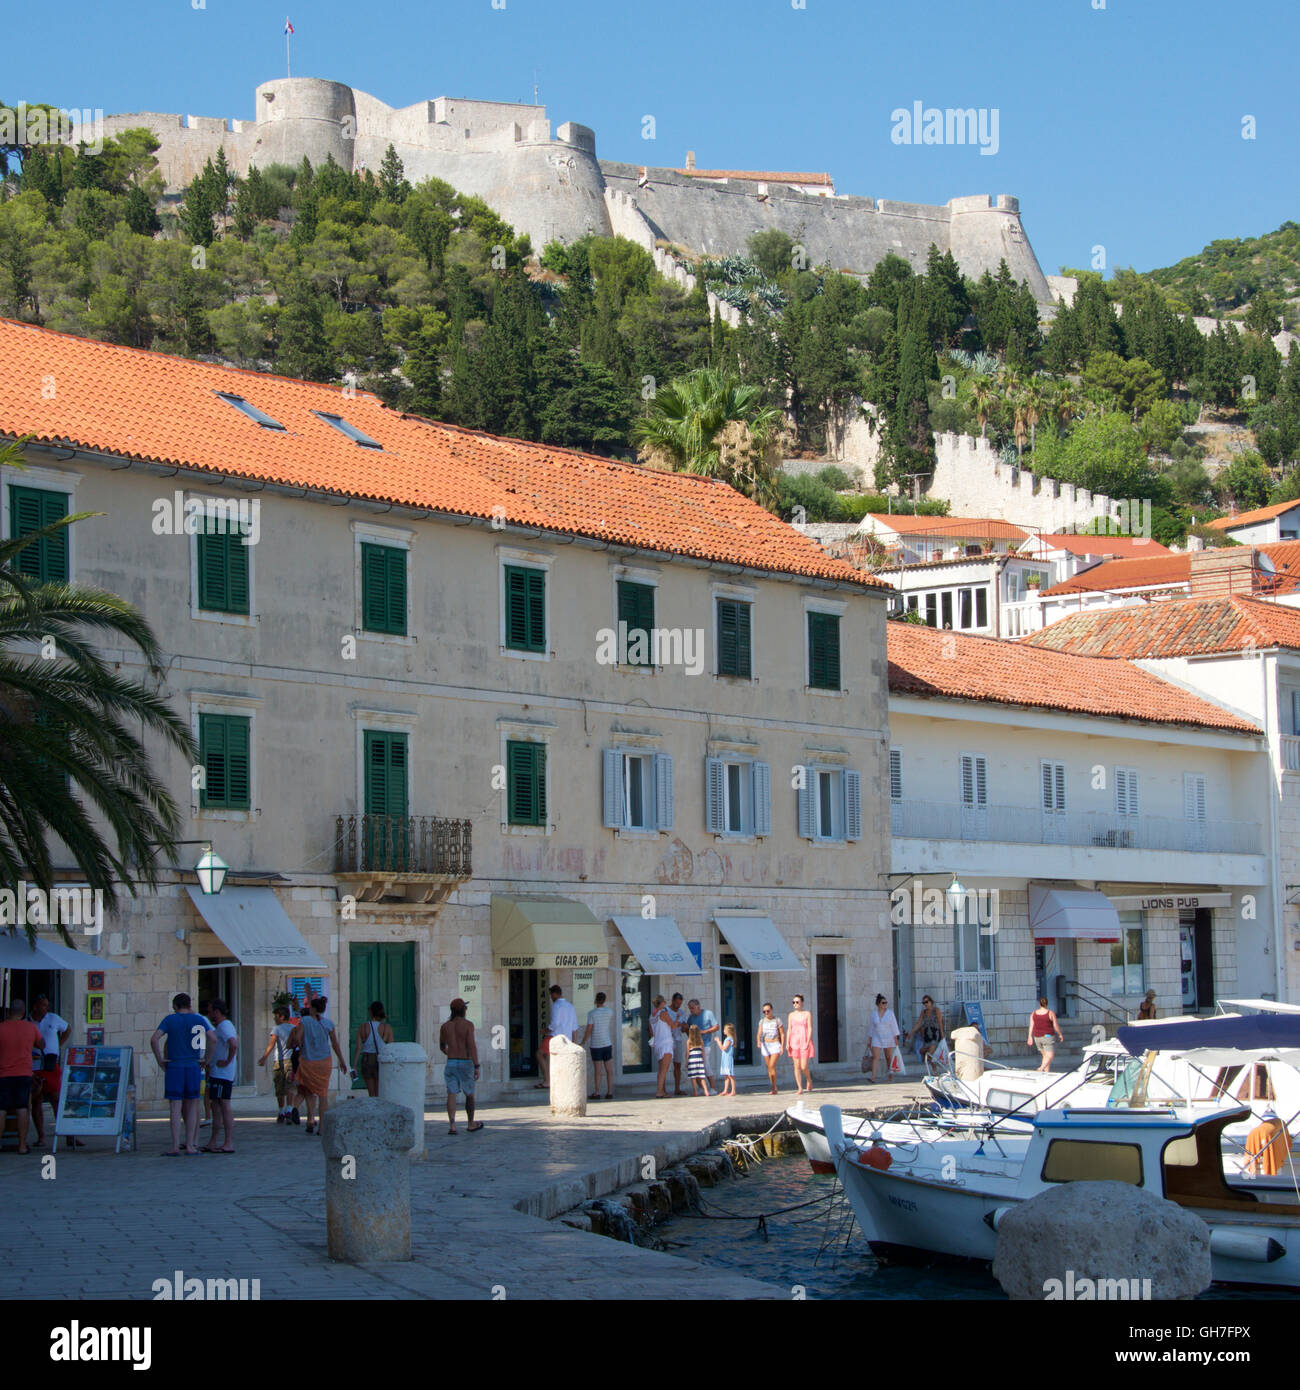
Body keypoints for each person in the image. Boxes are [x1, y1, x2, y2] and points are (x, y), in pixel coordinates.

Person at [150, 993, 215, 1156]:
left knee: (175, 1107)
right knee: (193, 1105)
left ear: (175, 1006)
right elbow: (213, 1039)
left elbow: (154, 1039)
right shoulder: (199, 1020)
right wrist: (206, 1060)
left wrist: (160, 1060)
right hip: (193, 1065)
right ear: (189, 1004)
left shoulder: (170, 1020)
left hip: (175, 1065)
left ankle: (174, 1145)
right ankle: (191, 1145)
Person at [290, 997, 347, 1134]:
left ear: (313, 1009)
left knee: (305, 1089)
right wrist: (342, 1061)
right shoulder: (329, 1024)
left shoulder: (305, 1021)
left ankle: (296, 1107)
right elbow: (335, 1044)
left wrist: (300, 1044)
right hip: (324, 1062)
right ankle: (321, 1128)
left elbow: (297, 1038)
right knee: (323, 1095)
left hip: (307, 1061)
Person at [30, 995, 77, 1149]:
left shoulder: (53, 1018)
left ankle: (68, 1135)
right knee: (36, 1100)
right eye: (43, 1005)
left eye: (47, 1005)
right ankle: (41, 1136)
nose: (46, 1008)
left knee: (57, 1098)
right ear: (35, 1006)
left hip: (51, 1065)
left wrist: (59, 1045)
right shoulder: (27, 1023)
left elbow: (68, 1028)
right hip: (35, 1065)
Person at [0, 1000, 44, 1155]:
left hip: (3, 1074)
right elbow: (42, 1044)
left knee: (2, 1109)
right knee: (22, 1108)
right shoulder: (30, 1027)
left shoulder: (1, 1027)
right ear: (24, 1012)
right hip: (24, 1073)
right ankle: (22, 1145)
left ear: (8, 1012)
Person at [439, 998, 482, 1134]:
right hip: (465, 1062)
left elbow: (442, 1046)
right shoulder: (468, 1025)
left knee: (451, 1093)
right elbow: (471, 1045)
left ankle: (452, 1125)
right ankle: (470, 1123)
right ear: (463, 1010)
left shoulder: (445, 1026)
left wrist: (450, 1053)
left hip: (451, 1062)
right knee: (469, 1094)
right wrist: (476, 1065)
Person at [203, 999, 238, 1153]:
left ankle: (228, 1142)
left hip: (223, 1075)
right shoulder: (223, 1026)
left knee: (224, 1106)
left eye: (210, 1011)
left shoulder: (224, 1026)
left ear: (217, 1012)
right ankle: (213, 1141)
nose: (209, 1014)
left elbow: (234, 1044)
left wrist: (228, 1061)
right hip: (218, 1074)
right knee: (215, 1106)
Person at [258, 1006, 297, 1123]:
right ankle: (289, 1108)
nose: (274, 1018)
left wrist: (264, 1057)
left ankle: (281, 1111)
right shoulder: (294, 1028)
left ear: (282, 1016)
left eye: (275, 1016)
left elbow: (271, 1044)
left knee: (279, 1087)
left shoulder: (276, 1029)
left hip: (280, 1061)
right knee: (290, 1086)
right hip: (291, 1060)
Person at [535, 985, 579, 1088]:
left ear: (554, 994)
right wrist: (574, 1044)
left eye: (551, 995)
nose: (551, 997)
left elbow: (555, 1024)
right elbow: (575, 1027)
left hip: (554, 1037)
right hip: (567, 1039)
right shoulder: (570, 1006)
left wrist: (545, 1030)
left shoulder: (556, 1005)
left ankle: (547, 1081)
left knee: (539, 1054)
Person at [352, 1001, 393, 1098]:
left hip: (367, 1059)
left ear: (370, 1012)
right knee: (380, 1092)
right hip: (381, 1059)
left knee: (371, 1093)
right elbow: (391, 1047)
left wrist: (354, 1066)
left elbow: (358, 1048)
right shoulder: (386, 1028)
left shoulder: (363, 1027)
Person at [581, 991, 615, 1100]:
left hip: (596, 1044)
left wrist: (583, 1041)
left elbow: (589, 1029)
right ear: (604, 1000)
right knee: (609, 1069)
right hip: (607, 1043)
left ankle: (597, 1092)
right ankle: (610, 1092)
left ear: (596, 1000)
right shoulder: (609, 1012)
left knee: (598, 1070)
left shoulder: (592, 1013)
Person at [684, 999, 719, 1085]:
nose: (691, 1010)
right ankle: (700, 1088)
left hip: (705, 1044)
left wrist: (704, 1031)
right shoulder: (691, 1017)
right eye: (690, 1008)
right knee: (696, 1067)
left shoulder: (708, 1013)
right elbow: (687, 1028)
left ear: (698, 1006)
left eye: (692, 1008)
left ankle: (712, 1087)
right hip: (694, 1046)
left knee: (706, 1065)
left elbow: (716, 1027)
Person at [867, 994, 899, 1082]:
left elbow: (894, 1026)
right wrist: (869, 1040)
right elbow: (871, 1028)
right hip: (877, 1037)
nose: (885, 1004)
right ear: (878, 1004)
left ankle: (890, 1075)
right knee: (875, 1057)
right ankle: (873, 1076)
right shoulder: (874, 1015)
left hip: (888, 1037)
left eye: (886, 1003)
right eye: (883, 1003)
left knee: (888, 1057)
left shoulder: (890, 1013)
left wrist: (895, 1038)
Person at [786, 994, 815, 1094]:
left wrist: (808, 1041)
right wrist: (787, 1042)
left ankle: (809, 1079)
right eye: (793, 1002)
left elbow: (810, 1028)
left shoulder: (807, 1014)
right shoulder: (791, 1015)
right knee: (796, 1066)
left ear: (802, 1003)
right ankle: (799, 1088)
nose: (795, 1004)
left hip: (804, 1041)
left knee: (804, 1066)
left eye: (797, 1002)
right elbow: (789, 1029)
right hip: (794, 1041)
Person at [906, 995, 945, 1068]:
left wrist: (942, 1035)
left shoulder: (936, 1010)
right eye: (923, 1003)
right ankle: (933, 1069)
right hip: (927, 1036)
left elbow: (940, 1023)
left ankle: (934, 1071)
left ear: (931, 1002)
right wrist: (911, 1032)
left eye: (926, 1002)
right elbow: (919, 1023)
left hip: (935, 1035)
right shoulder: (923, 1012)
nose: (925, 1004)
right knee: (923, 1052)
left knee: (930, 1054)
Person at [1028, 997, 1064, 1073]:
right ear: (1047, 1003)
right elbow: (1055, 1025)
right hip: (1047, 1037)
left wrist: (1029, 1037)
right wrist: (1060, 1034)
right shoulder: (1050, 1013)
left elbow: (1031, 1026)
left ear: (1039, 1004)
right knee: (1050, 1056)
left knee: (1045, 1056)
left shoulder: (1033, 1014)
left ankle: (1046, 1072)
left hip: (1037, 1037)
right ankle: (1041, 1068)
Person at [649, 995, 675, 1098]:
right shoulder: (663, 1013)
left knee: (661, 1069)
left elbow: (651, 1032)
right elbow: (673, 1025)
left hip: (658, 1044)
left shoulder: (652, 1015)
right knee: (664, 1070)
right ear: (662, 1003)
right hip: (666, 1043)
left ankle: (663, 1091)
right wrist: (677, 1020)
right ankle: (659, 1091)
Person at [756, 1003, 784, 1095]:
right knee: (769, 1068)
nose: (766, 1013)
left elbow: (782, 1034)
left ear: (772, 1010)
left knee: (772, 1066)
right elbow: (759, 1033)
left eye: (768, 1011)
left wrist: (782, 1046)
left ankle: (775, 1086)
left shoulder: (777, 1020)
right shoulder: (762, 1021)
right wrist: (758, 1041)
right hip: (765, 1044)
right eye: (764, 1011)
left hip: (775, 1044)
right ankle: (773, 1087)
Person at [668, 993, 688, 1095]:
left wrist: (684, 1026)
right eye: (676, 1003)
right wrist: (677, 1023)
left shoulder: (681, 1012)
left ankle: (677, 1088)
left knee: (677, 1065)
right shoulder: (666, 1011)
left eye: (680, 1003)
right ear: (672, 1000)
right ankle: (662, 1088)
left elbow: (684, 1028)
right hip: (668, 1040)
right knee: (665, 1065)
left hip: (678, 1040)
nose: (678, 1005)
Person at [685, 1025, 711, 1096]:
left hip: (692, 1060)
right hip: (699, 1059)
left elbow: (687, 1053)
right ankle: (706, 1091)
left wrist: (686, 1062)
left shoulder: (689, 1041)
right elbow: (703, 1052)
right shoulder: (701, 1041)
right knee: (702, 1077)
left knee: (693, 1077)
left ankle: (695, 1092)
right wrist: (703, 1060)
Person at [715, 1023, 737, 1096]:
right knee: (726, 1075)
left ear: (728, 1031)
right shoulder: (728, 1039)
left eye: (724, 1029)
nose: (723, 1031)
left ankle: (733, 1091)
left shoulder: (729, 1039)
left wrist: (718, 1042)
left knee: (730, 1075)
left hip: (728, 1059)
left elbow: (724, 1048)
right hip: (725, 1059)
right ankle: (725, 1090)